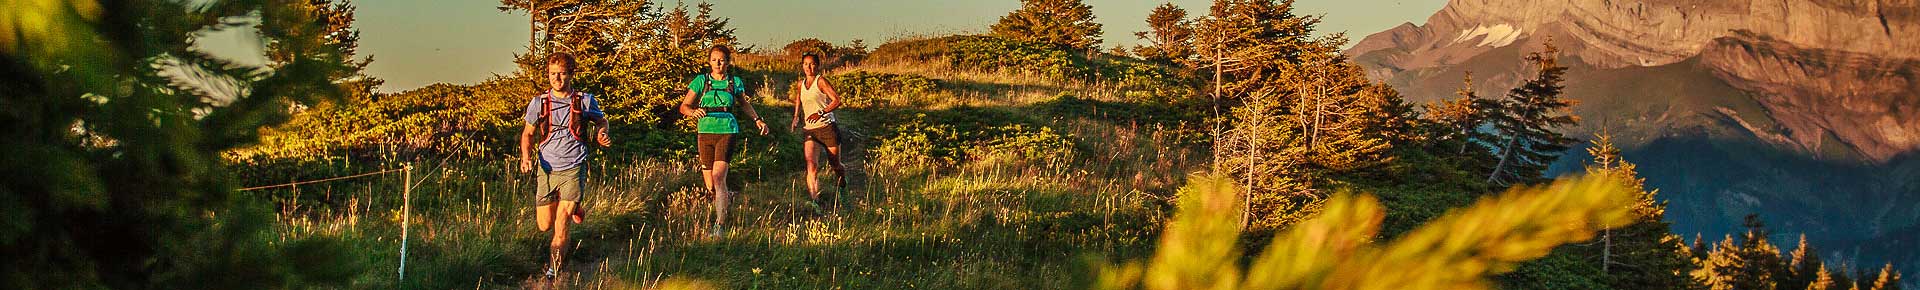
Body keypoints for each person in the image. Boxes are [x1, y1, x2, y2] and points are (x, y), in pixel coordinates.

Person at [518, 51, 611, 280]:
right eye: (552, 74)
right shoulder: (538, 103)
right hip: (547, 168)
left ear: (571, 74)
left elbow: (602, 121)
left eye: (561, 74)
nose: (556, 79)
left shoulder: (585, 100)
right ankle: (574, 207)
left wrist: (602, 133)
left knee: (561, 223)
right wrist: (525, 157)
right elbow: (528, 134)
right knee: (544, 224)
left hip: (574, 165)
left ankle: (552, 273)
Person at [677, 45, 769, 237]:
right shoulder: (701, 81)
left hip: (727, 130)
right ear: (709, 61)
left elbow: (744, 103)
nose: (718, 63)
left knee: (719, 177)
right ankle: (727, 198)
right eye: (714, 60)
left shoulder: (734, 82)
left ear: (728, 61)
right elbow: (684, 106)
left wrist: (758, 120)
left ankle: (719, 226)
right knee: (710, 184)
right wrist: (693, 111)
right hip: (705, 132)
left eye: (722, 60)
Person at [790, 53, 847, 211]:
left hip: (827, 127)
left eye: (812, 64)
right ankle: (815, 201)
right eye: (806, 64)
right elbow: (798, 99)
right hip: (810, 130)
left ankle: (843, 186)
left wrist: (821, 112)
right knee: (811, 165)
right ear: (802, 66)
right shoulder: (801, 84)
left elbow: (837, 100)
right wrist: (796, 117)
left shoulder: (820, 81)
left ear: (818, 65)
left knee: (836, 165)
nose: (809, 67)